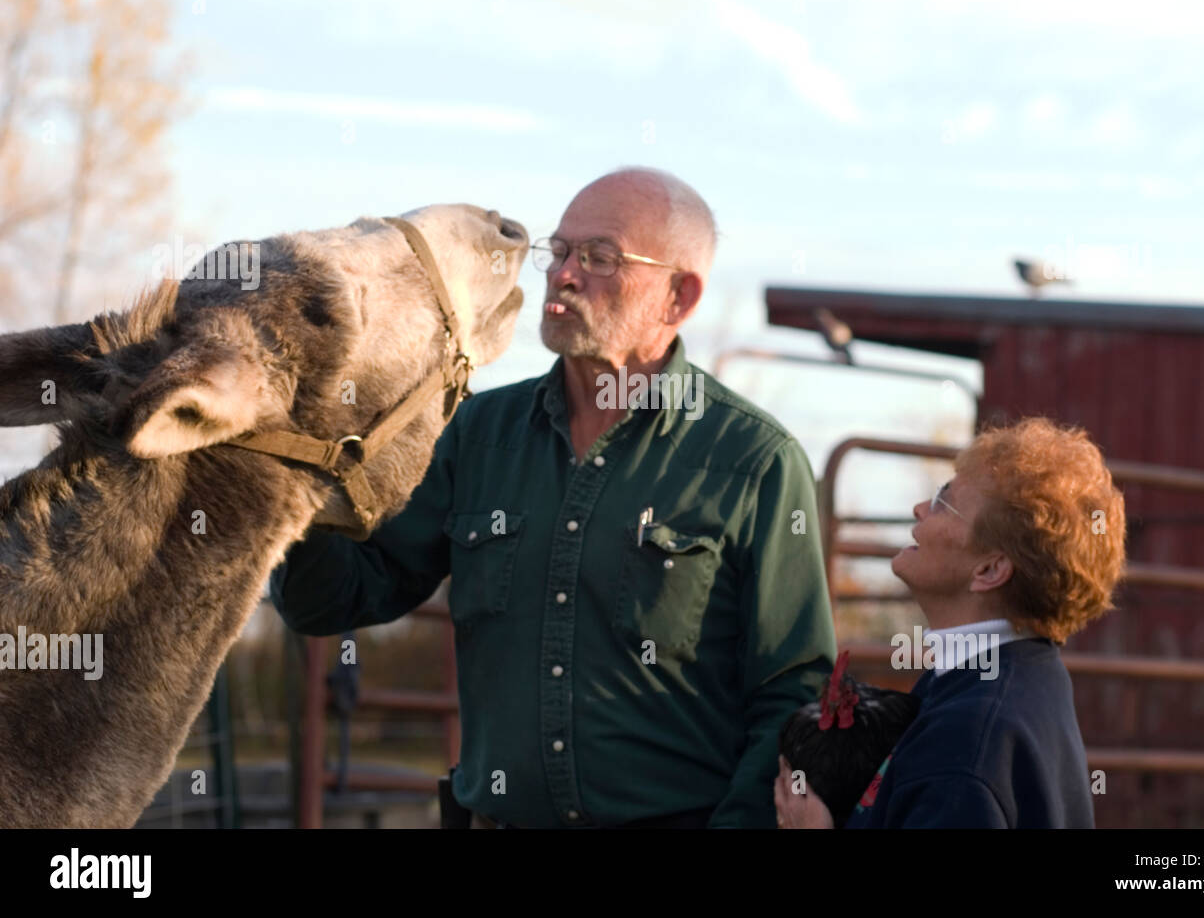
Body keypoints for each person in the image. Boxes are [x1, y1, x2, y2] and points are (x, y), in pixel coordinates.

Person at [269, 167, 836, 828]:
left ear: (679, 297)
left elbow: (792, 691)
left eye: (600, 258)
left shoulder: (755, 463)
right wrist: (292, 459)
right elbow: (335, 598)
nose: (564, 274)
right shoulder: (475, 435)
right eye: (559, 251)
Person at [775, 416, 1125, 828]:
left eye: (944, 500)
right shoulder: (1021, 676)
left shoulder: (968, 743)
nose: (920, 508)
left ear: (990, 569)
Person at [774, 651, 919, 829]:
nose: (835, 702)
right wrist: (796, 797)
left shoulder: (886, 740)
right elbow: (796, 782)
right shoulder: (803, 740)